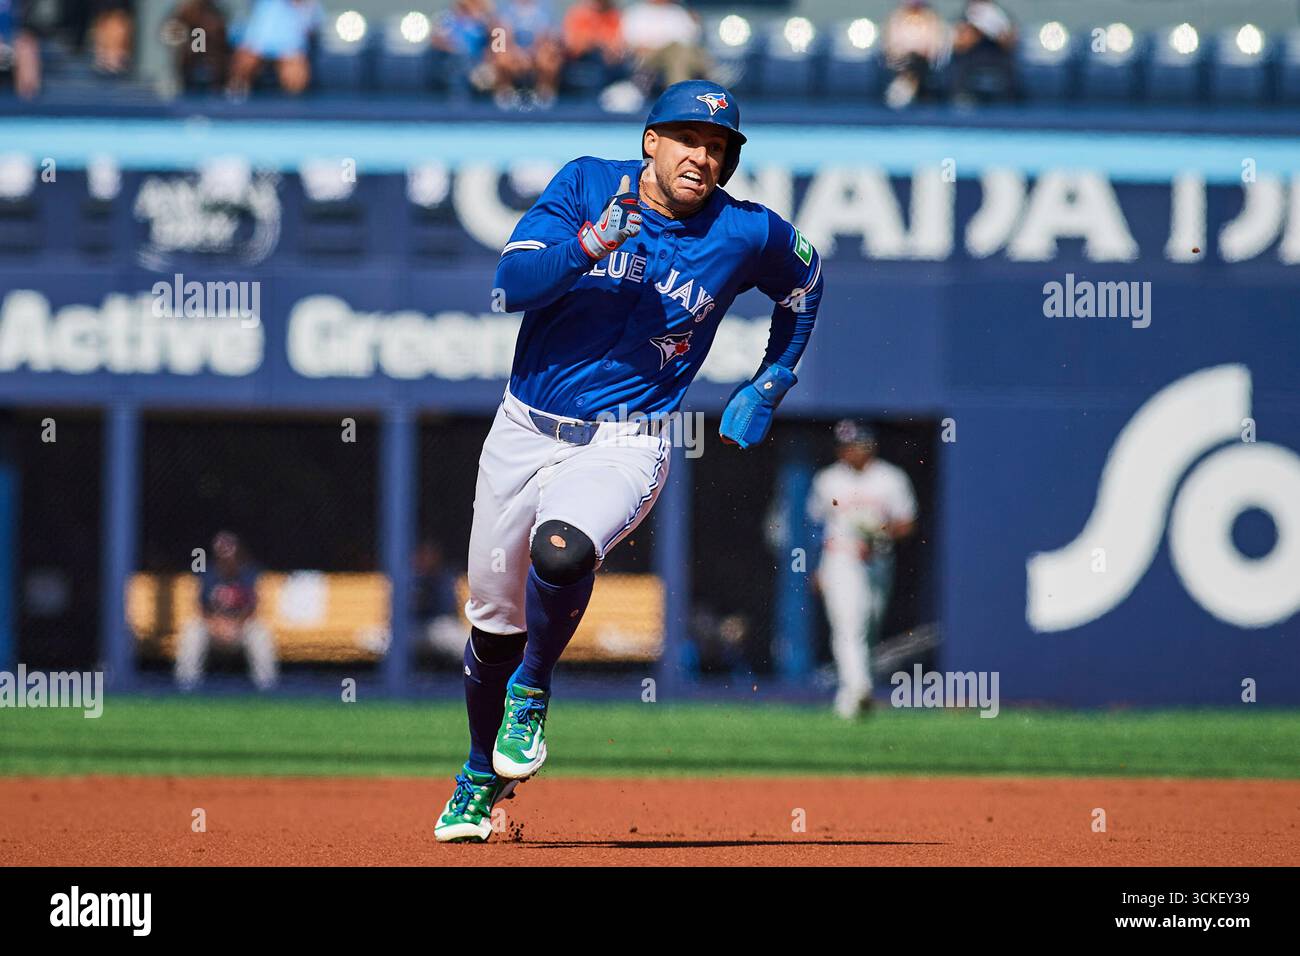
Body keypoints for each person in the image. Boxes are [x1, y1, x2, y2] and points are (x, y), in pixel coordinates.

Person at [434, 80, 825, 842]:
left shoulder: (745, 233)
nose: (703, 157)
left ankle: (534, 691)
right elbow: (510, 285)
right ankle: (479, 776)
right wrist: (592, 242)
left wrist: (775, 376)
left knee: (563, 550)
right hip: (524, 427)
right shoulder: (585, 183)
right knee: (489, 624)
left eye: (719, 148)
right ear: (651, 141)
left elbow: (806, 282)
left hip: (628, 436)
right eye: (688, 139)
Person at [807, 421, 917, 719]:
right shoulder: (828, 479)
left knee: (868, 626)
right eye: (844, 446)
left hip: (878, 560)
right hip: (840, 560)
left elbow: (907, 522)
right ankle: (860, 688)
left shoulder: (890, 478)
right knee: (848, 625)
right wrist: (816, 568)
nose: (849, 451)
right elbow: (815, 526)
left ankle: (850, 697)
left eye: (855, 445)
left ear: (870, 445)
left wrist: (881, 530)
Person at [175, 531, 278, 691]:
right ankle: (187, 686)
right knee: (192, 631)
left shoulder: (249, 573)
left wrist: (235, 625)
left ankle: (266, 687)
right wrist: (215, 624)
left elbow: (252, 607)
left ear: (237, 553)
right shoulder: (206, 573)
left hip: (240, 628)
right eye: (222, 552)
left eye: (229, 551)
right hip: (213, 629)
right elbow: (201, 606)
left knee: (259, 633)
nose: (226, 556)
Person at [226, 0, 321, 97]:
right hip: (256, 43)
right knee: (242, 67)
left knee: (296, 84)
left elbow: (312, 24)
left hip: (290, 47)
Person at [621, 0, 709, 93]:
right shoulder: (636, 12)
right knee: (678, 53)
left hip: (678, 54)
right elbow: (633, 43)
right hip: (650, 56)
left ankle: (679, 92)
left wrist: (696, 22)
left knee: (678, 54)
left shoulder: (677, 11)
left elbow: (691, 39)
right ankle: (710, 74)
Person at [491, 0, 564, 108]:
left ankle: (544, 93)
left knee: (548, 57)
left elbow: (546, 34)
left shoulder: (545, 8)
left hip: (536, 53)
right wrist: (517, 53)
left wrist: (531, 53)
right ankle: (505, 93)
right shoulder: (505, 8)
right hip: (513, 53)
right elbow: (502, 33)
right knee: (501, 55)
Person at [882, 0, 948, 108]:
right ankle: (906, 88)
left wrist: (925, 52)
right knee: (912, 61)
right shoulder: (896, 18)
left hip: (924, 61)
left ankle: (904, 88)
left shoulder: (930, 18)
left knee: (917, 62)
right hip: (900, 60)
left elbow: (935, 44)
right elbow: (891, 44)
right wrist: (904, 53)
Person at [951, 0, 1017, 103]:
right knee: (958, 66)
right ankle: (961, 99)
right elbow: (959, 46)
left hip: (996, 56)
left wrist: (996, 31)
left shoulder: (1000, 14)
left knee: (1010, 67)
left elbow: (1010, 44)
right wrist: (977, 31)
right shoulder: (966, 15)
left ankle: (1011, 102)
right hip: (971, 58)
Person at [165, 0, 232, 92]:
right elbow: (170, 36)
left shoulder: (218, 13)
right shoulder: (184, 12)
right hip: (189, 78)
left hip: (216, 81)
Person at [0, 0, 41, 99]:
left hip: (11, 41)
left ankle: (28, 97)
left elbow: (21, 27)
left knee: (27, 49)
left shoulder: (16, 3)